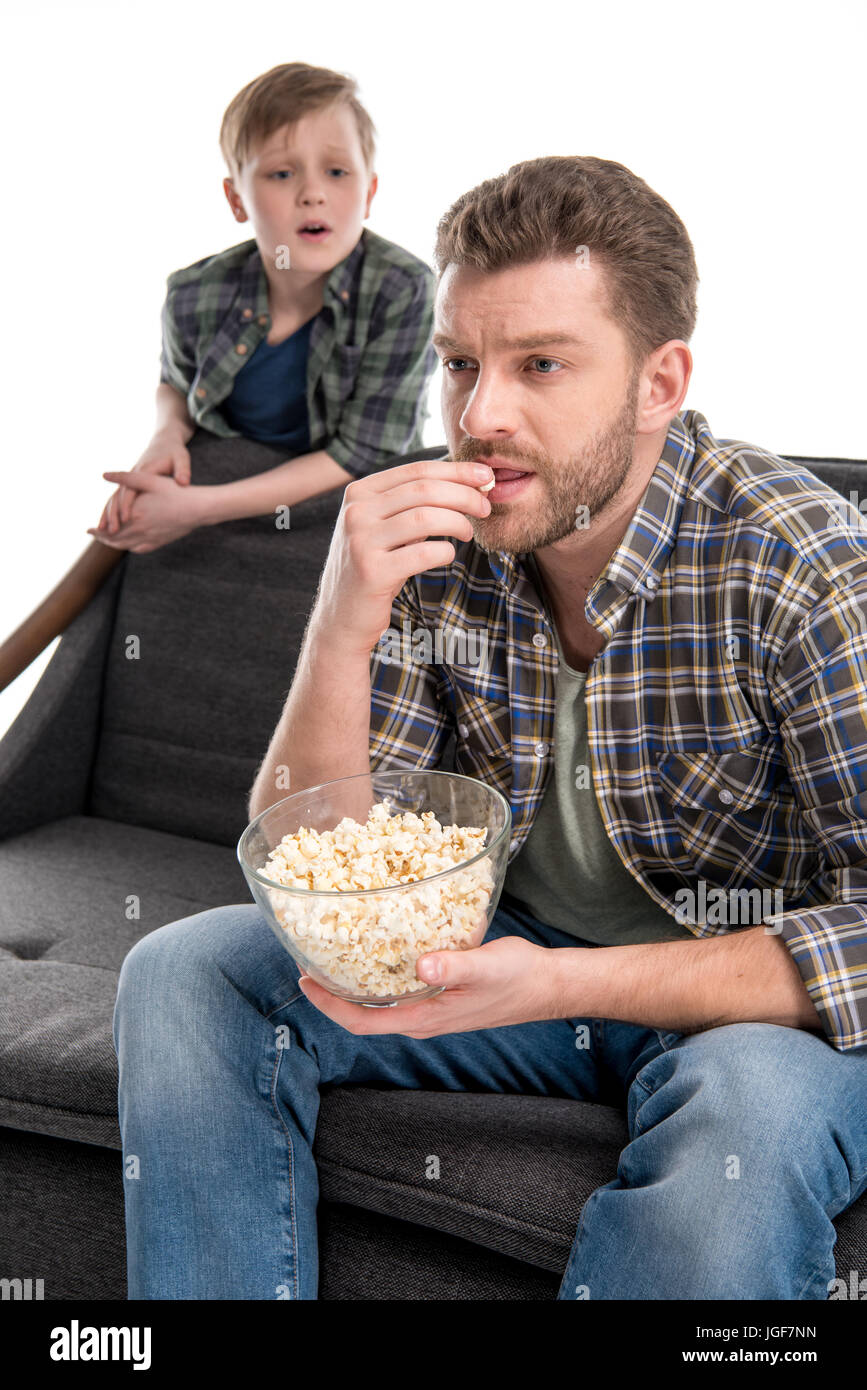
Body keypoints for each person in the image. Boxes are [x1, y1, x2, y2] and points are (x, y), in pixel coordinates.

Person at [113, 155, 867, 1299]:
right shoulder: (439, 542)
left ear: (660, 383)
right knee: (189, 971)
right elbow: (319, 873)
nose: (480, 417)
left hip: (752, 1012)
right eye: (461, 364)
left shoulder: (802, 566)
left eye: (541, 366)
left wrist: (556, 987)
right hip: (509, 968)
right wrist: (339, 621)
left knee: (749, 1123)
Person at [88, 62, 436, 555]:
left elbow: (363, 455)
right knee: (126, 535)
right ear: (236, 198)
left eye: (336, 172)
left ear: (369, 192)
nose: (313, 193)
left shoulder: (403, 290)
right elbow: (176, 383)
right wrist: (165, 436)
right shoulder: (195, 291)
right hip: (230, 480)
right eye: (281, 173)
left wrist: (197, 509)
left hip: (347, 502)